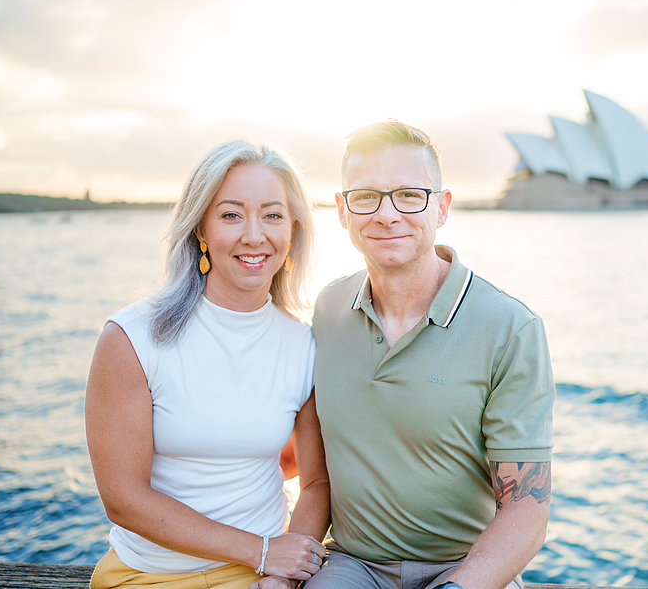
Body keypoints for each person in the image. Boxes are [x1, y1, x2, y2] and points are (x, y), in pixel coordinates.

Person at [306, 121, 555, 589]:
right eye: (366, 197)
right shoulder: (328, 308)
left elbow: (527, 506)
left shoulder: (510, 327)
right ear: (342, 211)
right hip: (352, 564)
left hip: (466, 569)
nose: (386, 214)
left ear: (441, 207)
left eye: (409, 195)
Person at [84, 140, 330, 589]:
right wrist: (261, 552)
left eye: (273, 215)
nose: (254, 235)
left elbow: (315, 483)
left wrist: (283, 575)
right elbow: (124, 499)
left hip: (264, 577)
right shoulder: (132, 338)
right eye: (231, 214)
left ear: (292, 229)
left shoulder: (304, 344)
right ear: (200, 228)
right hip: (149, 575)